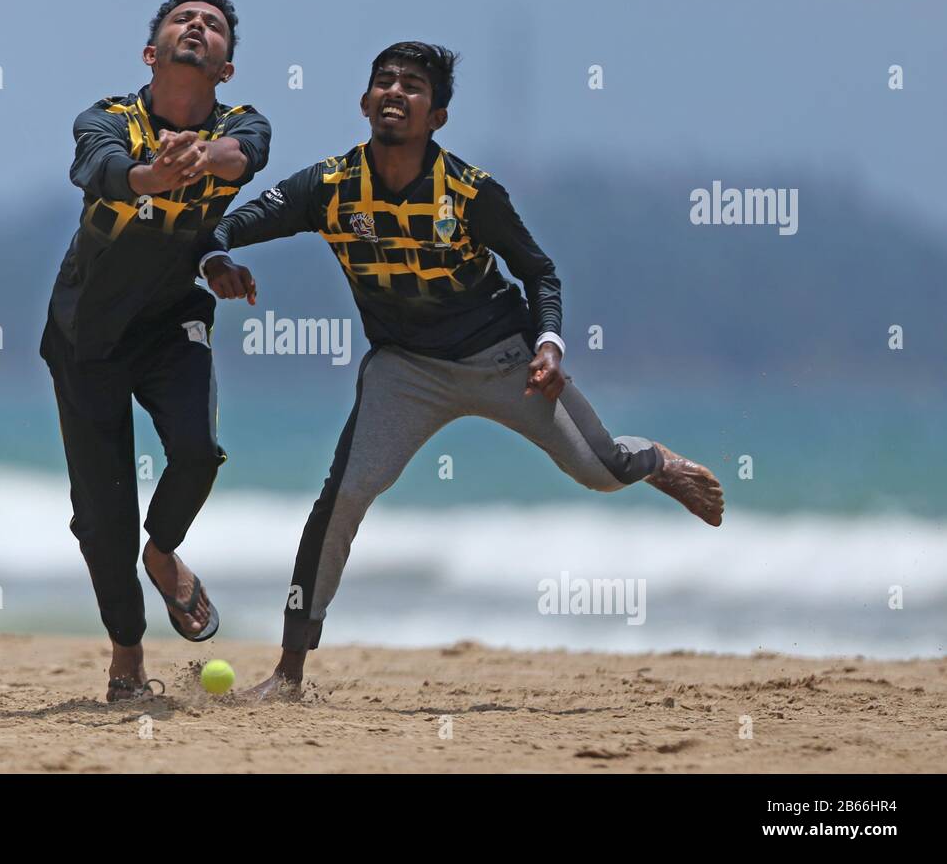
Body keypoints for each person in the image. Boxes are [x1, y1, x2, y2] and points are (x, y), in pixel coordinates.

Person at [200, 42, 723, 699]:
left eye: (413, 86)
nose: (395, 92)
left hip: (504, 358)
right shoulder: (329, 186)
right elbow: (226, 224)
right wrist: (217, 261)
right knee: (343, 498)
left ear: (437, 116)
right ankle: (289, 673)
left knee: (602, 470)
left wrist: (550, 345)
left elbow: (540, 272)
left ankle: (656, 461)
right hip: (405, 370)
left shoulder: (471, 192)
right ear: (364, 103)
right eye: (383, 82)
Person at [40, 0, 269, 701]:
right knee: (102, 511)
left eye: (213, 26)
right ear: (152, 51)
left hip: (172, 321)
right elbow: (102, 169)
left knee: (198, 451)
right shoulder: (106, 119)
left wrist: (205, 169)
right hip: (88, 333)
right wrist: (150, 174)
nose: (198, 27)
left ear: (225, 66)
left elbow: (243, 155)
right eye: (183, 20)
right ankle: (128, 657)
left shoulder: (242, 123)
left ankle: (163, 551)